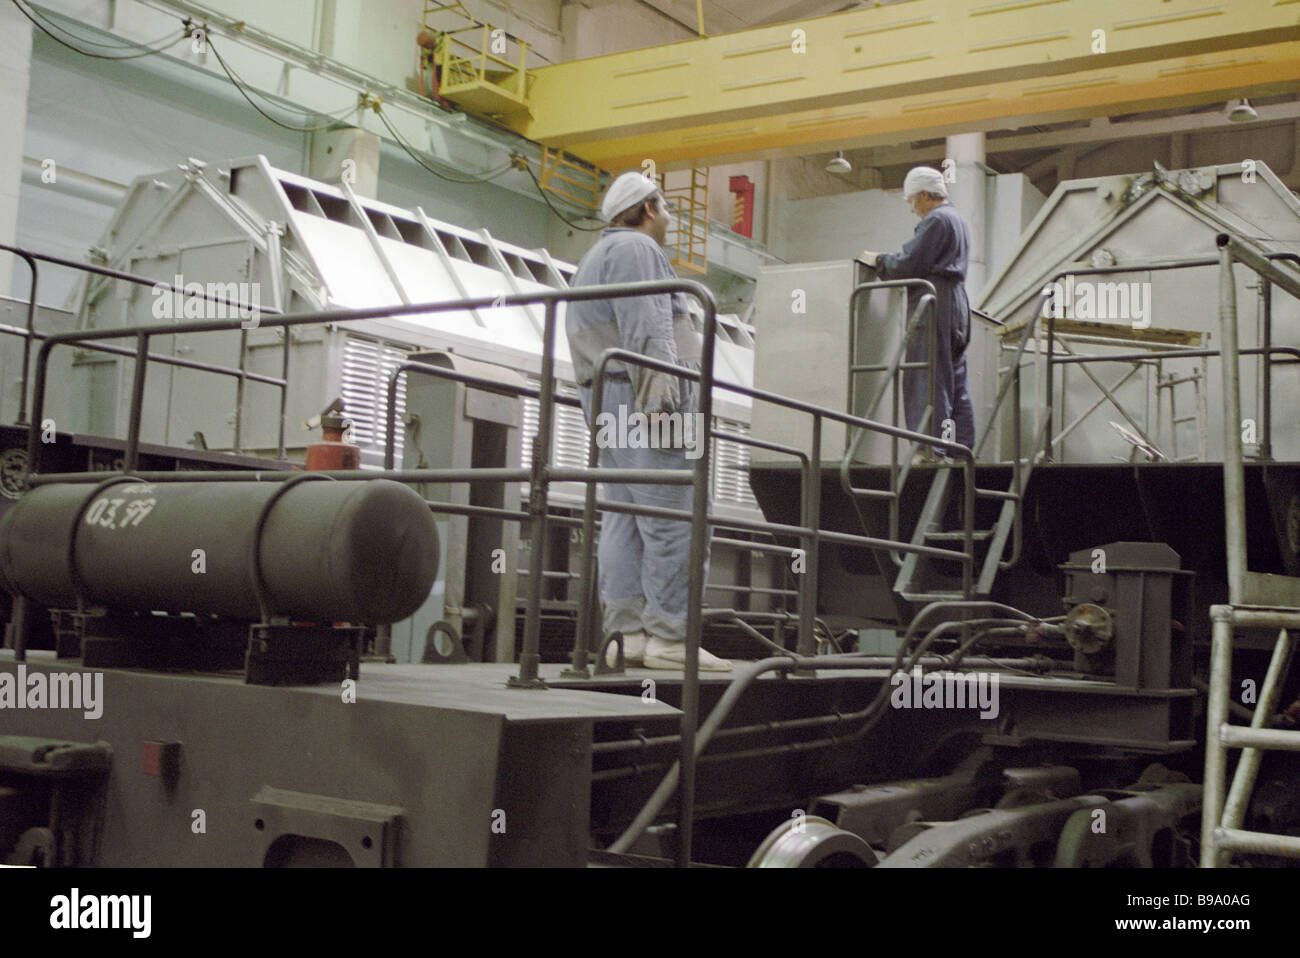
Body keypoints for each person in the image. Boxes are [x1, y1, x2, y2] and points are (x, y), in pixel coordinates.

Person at [564, 171, 731, 671]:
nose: (671, 219)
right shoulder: (639, 250)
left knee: (623, 518)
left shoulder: (593, 258)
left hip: (609, 402)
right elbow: (649, 330)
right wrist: (664, 402)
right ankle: (671, 639)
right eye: (667, 207)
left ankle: (628, 635)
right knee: (678, 518)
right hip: (647, 403)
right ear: (650, 208)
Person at [860, 166, 976, 459]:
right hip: (958, 304)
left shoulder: (936, 220)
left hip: (934, 302)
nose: (912, 208)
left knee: (927, 375)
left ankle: (930, 447)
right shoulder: (958, 220)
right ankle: (959, 446)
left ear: (925, 195)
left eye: (912, 200)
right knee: (954, 379)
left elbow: (911, 263)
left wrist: (880, 260)